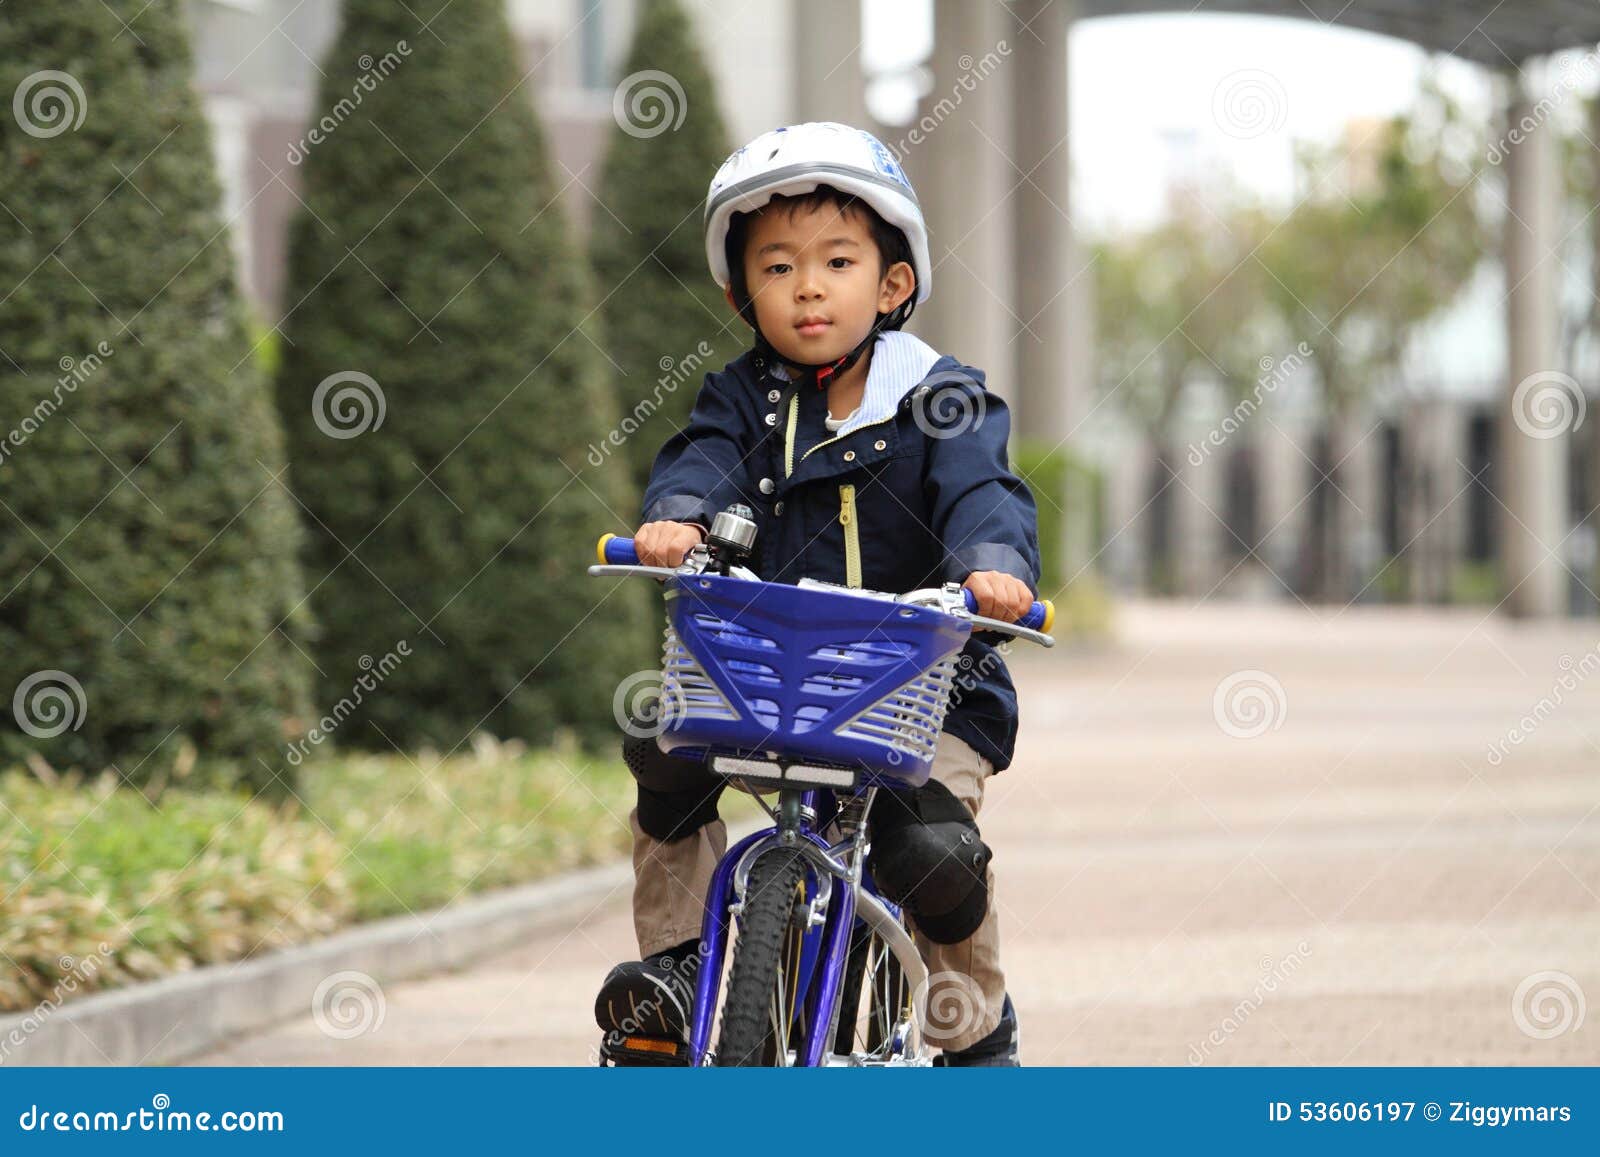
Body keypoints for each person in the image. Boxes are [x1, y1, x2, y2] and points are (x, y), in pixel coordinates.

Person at [594, 121, 1042, 1067]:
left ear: (892, 284)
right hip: (771, 674)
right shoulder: (739, 398)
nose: (806, 285)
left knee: (931, 849)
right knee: (664, 749)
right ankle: (673, 973)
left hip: (927, 686)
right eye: (777, 265)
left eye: (837, 260)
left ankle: (973, 1029)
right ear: (739, 289)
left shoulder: (941, 396)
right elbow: (701, 462)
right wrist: (677, 516)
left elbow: (982, 490)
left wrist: (991, 566)